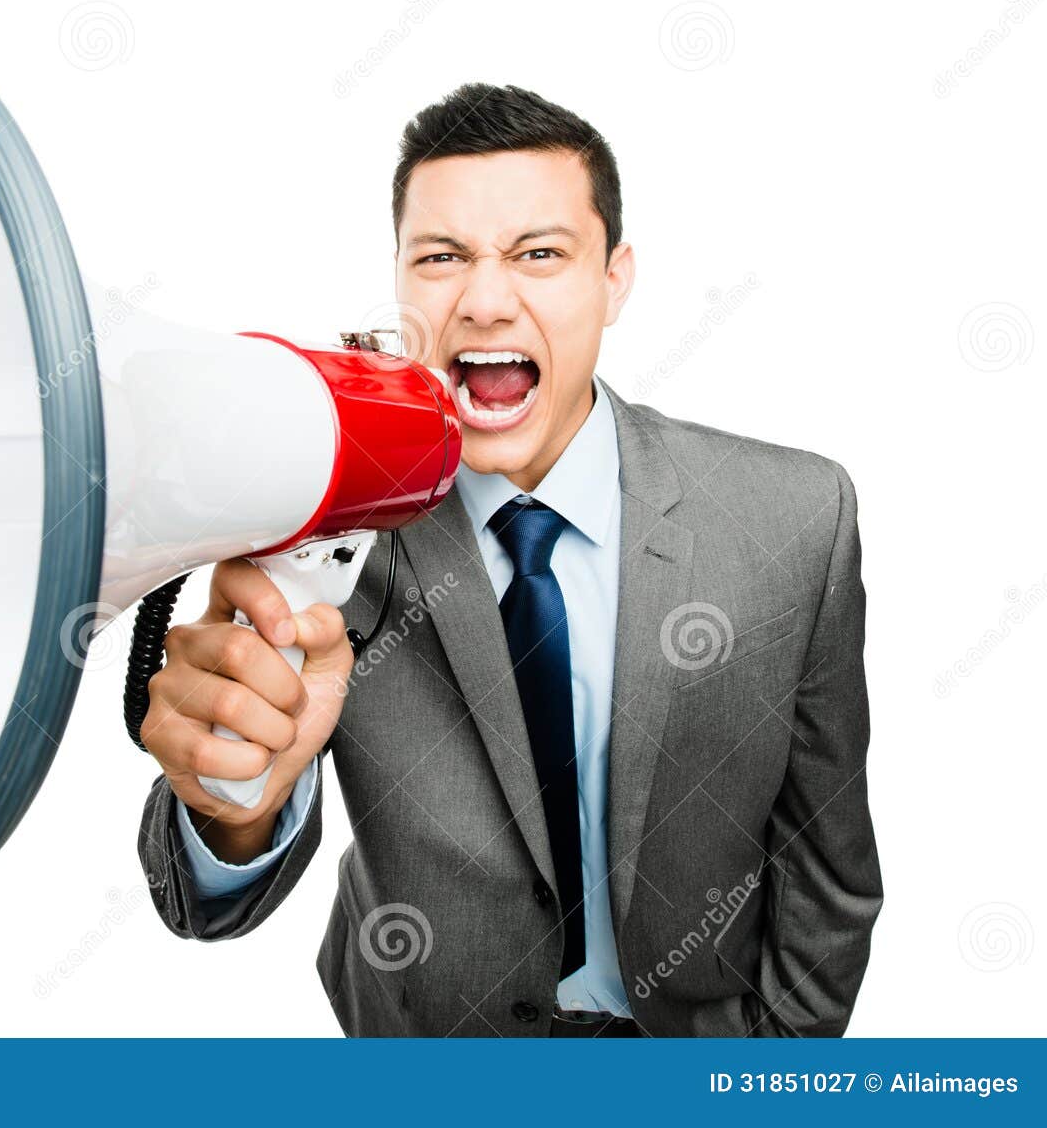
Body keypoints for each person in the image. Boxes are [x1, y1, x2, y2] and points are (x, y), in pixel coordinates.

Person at [135, 83, 882, 1037]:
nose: (486, 302)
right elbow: (200, 898)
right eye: (442, 258)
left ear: (614, 279)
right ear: (399, 282)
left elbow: (829, 875)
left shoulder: (794, 518)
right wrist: (235, 799)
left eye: (539, 253)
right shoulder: (319, 520)